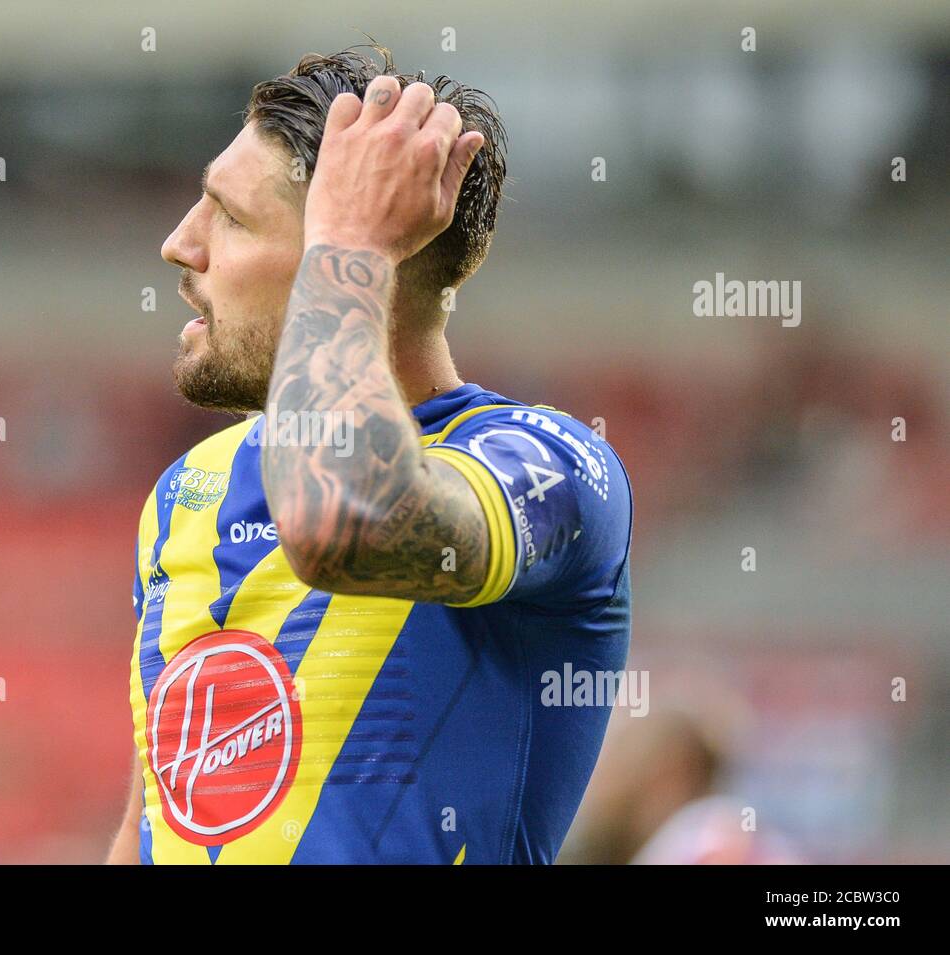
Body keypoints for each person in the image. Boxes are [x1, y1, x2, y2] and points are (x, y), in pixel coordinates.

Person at [107, 47, 633, 864]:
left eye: (232, 218)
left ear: (365, 255)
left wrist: (350, 242)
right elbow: (156, 819)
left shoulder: (547, 466)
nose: (180, 245)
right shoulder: (188, 492)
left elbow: (344, 524)